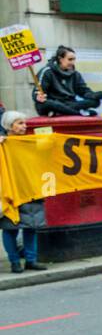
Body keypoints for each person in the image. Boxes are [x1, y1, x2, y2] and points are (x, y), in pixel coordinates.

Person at [0, 111, 47, 272]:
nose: (24, 126)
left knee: (31, 227)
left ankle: (30, 260)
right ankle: (14, 262)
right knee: (10, 228)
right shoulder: (2, 143)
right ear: (9, 126)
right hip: (10, 191)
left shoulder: (29, 142)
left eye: (24, 123)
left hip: (29, 189)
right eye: (19, 123)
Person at [34, 46, 102, 116]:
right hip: (53, 103)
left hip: (70, 104)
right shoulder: (47, 71)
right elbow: (37, 91)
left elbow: (84, 92)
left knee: (95, 102)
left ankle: (63, 112)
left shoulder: (75, 74)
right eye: (70, 59)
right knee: (47, 104)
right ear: (60, 59)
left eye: (74, 59)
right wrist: (38, 96)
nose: (72, 62)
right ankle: (80, 113)